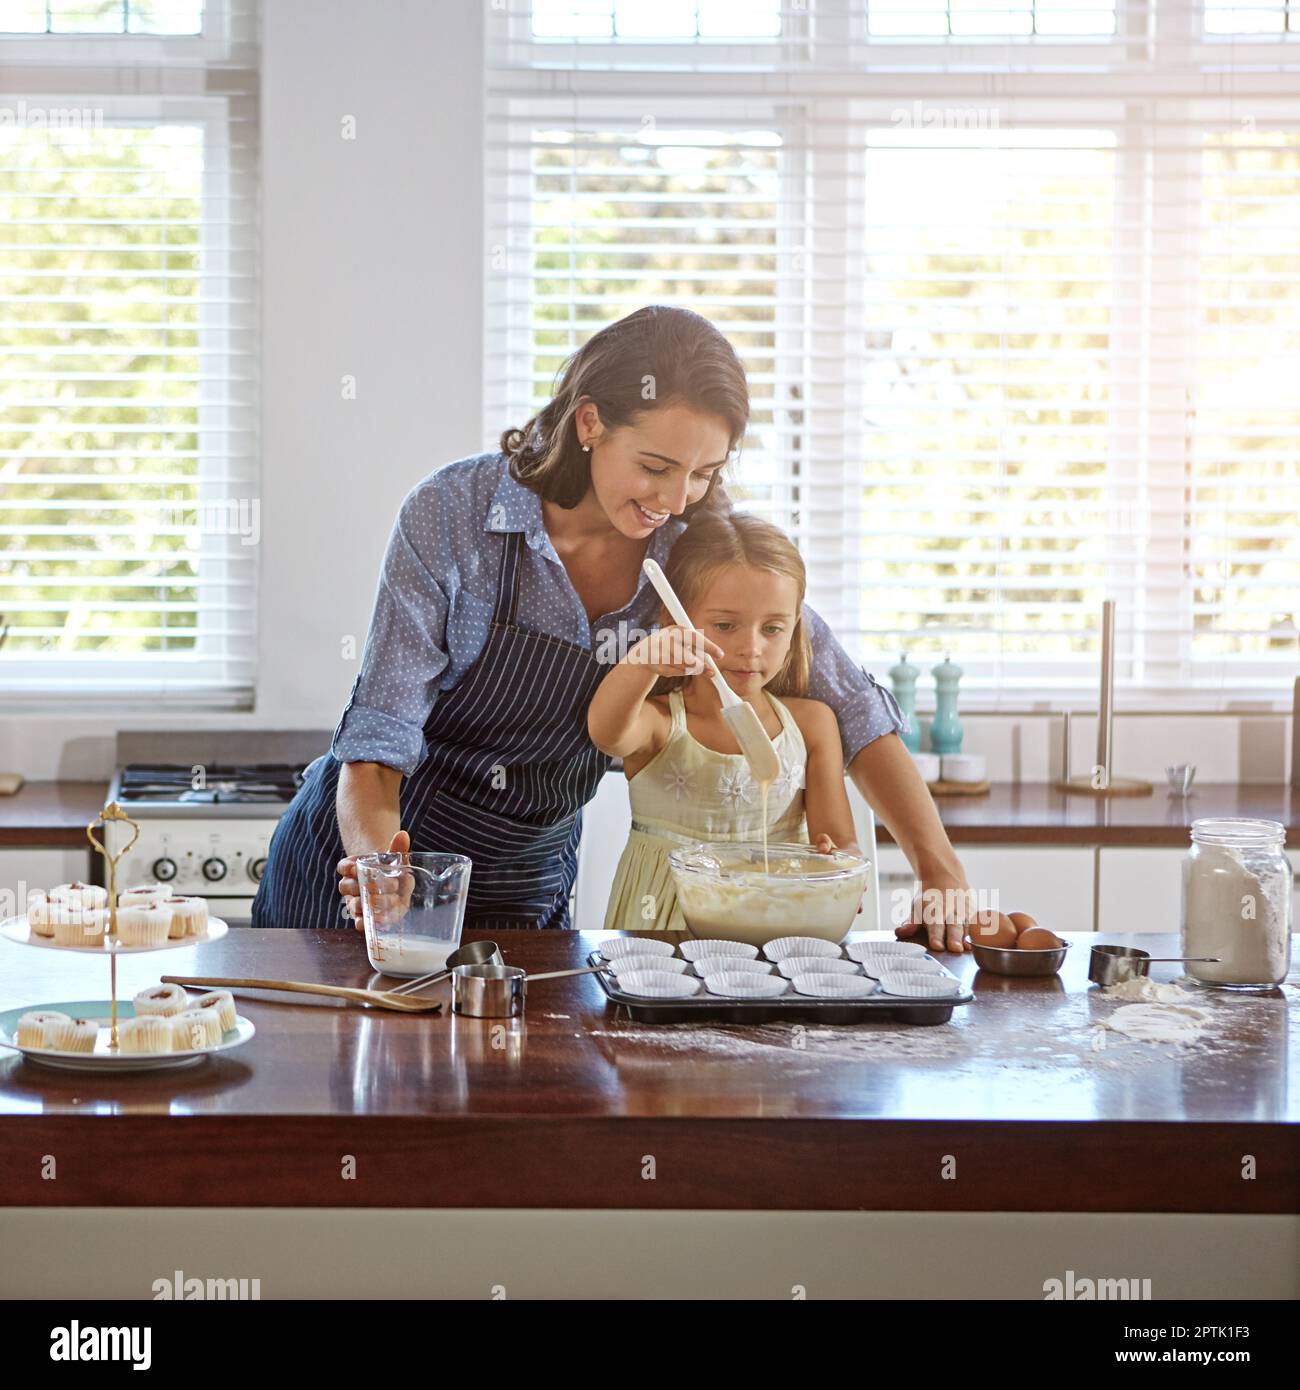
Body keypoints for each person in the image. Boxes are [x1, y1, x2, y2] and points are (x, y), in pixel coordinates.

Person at [252, 304, 973, 949]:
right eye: (655, 466)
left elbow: (851, 707)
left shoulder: (695, 552)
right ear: (590, 422)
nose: (674, 497)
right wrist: (381, 874)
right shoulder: (454, 516)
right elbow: (377, 741)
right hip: (372, 857)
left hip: (525, 882)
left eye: (702, 473)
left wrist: (939, 872)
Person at [589, 510, 859, 931]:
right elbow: (606, 732)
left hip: (778, 926)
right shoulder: (662, 723)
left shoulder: (811, 724)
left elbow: (840, 844)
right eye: (725, 625)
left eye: (772, 628)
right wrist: (643, 664)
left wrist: (832, 863)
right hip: (661, 928)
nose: (750, 648)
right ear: (674, 622)